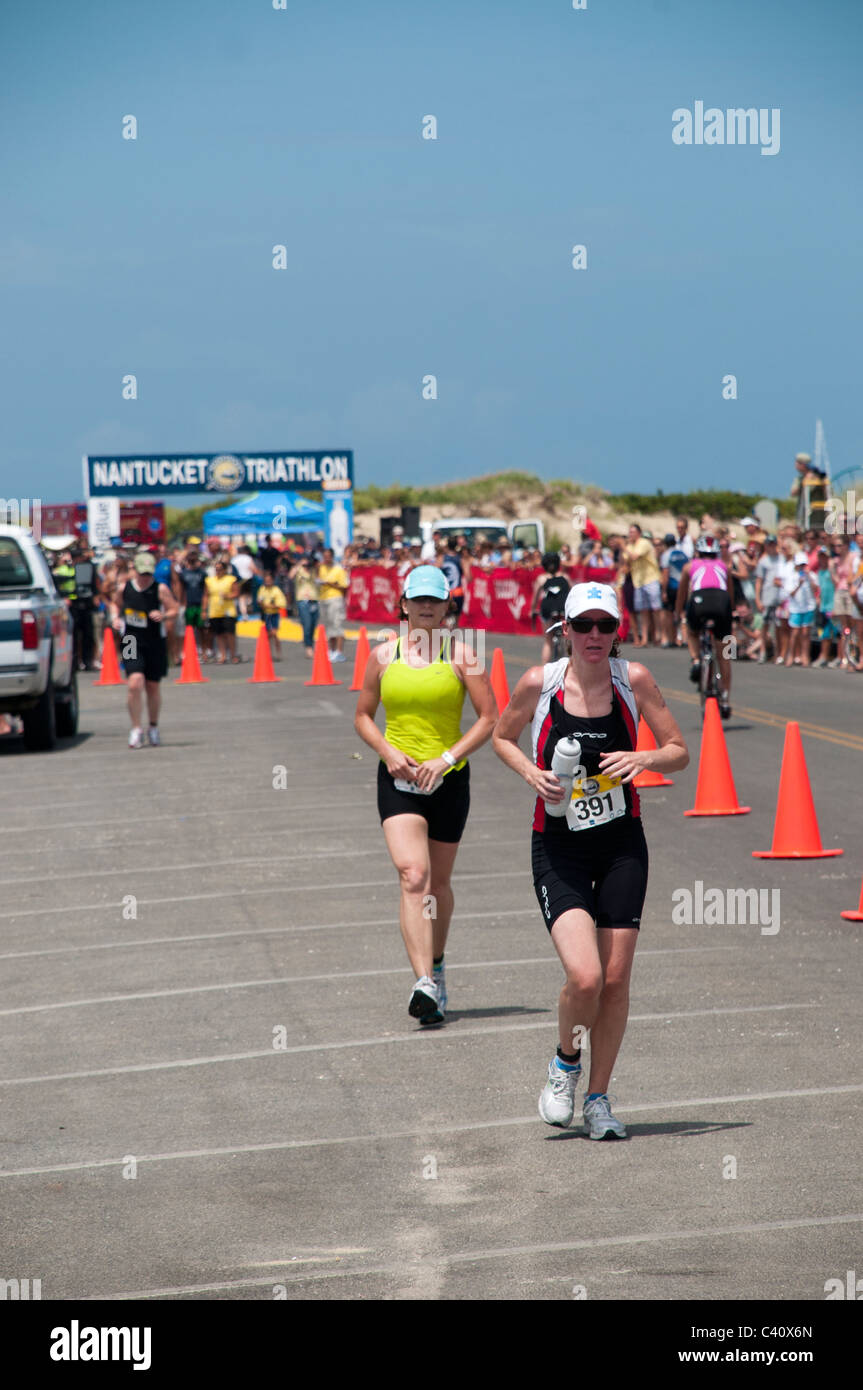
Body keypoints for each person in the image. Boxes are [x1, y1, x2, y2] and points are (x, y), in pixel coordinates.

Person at [492, 582, 688, 1138]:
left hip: (622, 842)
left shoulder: (636, 681)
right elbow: (502, 737)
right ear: (567, 629)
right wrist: (530, 772)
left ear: (617, 631)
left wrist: (646, 755)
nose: (595, 636)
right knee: (586, 977)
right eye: (585, 625)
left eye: (606, 626)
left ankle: (598, 1099)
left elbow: (680, 752)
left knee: (617, 980)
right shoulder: (540, 682)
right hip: (559, 846)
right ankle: (564, 1064)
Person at [353, 565, 497, 1025]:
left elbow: (489, 717)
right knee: (413, 875)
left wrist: (448, 757)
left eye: (436, 600)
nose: (427, 607)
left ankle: (437, 964)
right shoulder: (382, 655)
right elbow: (362, 716)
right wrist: (387, 750)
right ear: (404, 604)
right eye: (419, 600)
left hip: (447, 781)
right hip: (398, 780)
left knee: (437, 885)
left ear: (447, 606)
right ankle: (424, 984)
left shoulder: (462, 656)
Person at [110, 549, 178, 748]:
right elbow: (115, 605)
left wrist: (164, 615)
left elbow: (174, 609)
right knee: (134, 682)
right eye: (142, 573)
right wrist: (115, 618)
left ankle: (153, 727)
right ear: (135, 570)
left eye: (149, 573)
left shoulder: (160, 589)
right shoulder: (124, 588)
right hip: (131, 639)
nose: (146, 577)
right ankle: (136, 729)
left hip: (154, 640)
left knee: (152, 686)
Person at [674, 536, 734, 716]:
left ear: (698, 552)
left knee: (692, 631)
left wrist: (679, 614)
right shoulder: (725, 566)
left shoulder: (689, 566)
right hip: (721, 603)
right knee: (724, 655)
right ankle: (724, 698)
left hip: (699, 601)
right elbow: (729, 595)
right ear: (716, 553)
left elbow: (682, 594)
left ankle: (697, 660)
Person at [623, 524, 662, 647]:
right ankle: (644, 638)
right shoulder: (630, 546)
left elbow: (634, 556)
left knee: (656, 609)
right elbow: (626, 561)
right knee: (643, 611)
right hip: (638, 581)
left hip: (651, 578)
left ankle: (659, 635)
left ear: (638, 533)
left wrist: (622, 546)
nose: (630, 534)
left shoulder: (644, 543)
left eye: (633, 532)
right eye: (630, 532)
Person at [530, 552, 571, 663]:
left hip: (548, 609)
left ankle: (545, 670)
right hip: (563, 608)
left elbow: (535, 598)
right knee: (568, 639)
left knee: (548, 641)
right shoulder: (565, 577)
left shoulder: (541, 578)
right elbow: (572, 593)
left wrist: (532, 610)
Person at [204, 557, 241, 663]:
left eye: (220, 569)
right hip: (215, 611)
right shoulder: (209, 581)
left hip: (228, 610)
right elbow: (206, 595)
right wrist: (204, 609)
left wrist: (228, 596)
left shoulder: (231, 579)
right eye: (216, 569)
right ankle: (223, 655)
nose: (218, 571)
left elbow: (236, 592)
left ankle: (233, 655)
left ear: (225, 570)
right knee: (219, 634)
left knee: (229, 633)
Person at [786, 552, 820, 667]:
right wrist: (799, 584)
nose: (802, 567)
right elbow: (791, 593)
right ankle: (791, 655)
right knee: (795, 633)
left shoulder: (810, 575)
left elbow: (816, 589)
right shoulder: (792, 576)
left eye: (803, 565)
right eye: (800, 565)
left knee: (806, 632)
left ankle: (805, 655)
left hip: (808, 607)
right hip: (795, 608)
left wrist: (809, 577)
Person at [317, 547, 349, 662]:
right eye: (324, 556)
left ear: (332, 556)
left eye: (328, 556)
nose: (326, 558)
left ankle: (339, 652)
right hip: (323, 598)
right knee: (329, 626)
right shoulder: (321, 568)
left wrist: (330, 584)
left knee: (337, 625)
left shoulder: (338, 569)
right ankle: (331, 650)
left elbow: (344, 586)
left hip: (335, 598)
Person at [289, 554, 320, 658]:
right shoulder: (299, 570)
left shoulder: (313, 571)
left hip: (314, 600)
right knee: (306, 624)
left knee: (313, 625)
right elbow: (290, 576)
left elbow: (320, 574)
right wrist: (299, 564)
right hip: (303, 600)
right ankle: (308, 647)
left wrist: (314, 564)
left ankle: (311, 643)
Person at [258, 570, 288, 660]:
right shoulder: (262, 589)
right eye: (266, 581)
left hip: (274, 614)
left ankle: (278, 653)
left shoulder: (276, 590)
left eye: (269, 581)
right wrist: (263, 604)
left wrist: (269, 605)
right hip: (266, 614)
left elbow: (281, 604)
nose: (267, 582)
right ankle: (268, 653)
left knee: (274, 633)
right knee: (268, 634)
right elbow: (259, 601)